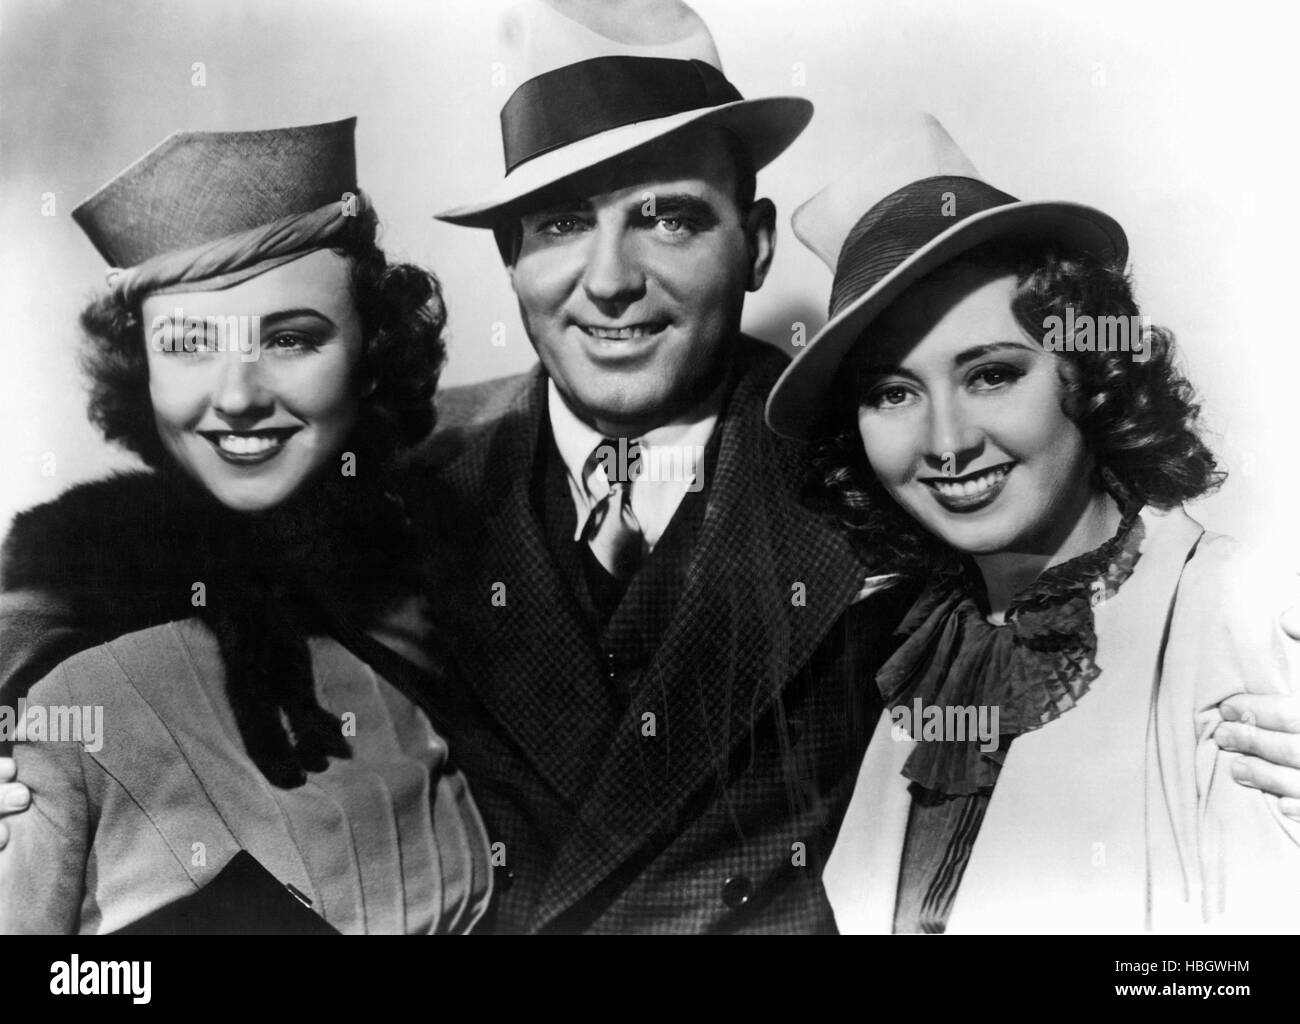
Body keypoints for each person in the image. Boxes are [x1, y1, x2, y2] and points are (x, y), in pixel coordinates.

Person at [764, 114, 1300, 932]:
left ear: (1088, 373)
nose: (947, 443)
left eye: (990, 375)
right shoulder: (908, 648)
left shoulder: (1239, 619)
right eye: (893, 393)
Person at [0, 118, 491, 933]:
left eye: (290, 339)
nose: (237, 398)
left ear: (372, 352)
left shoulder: (454, 529)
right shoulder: (61, 591)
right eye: (189, 346)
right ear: (142, 373)